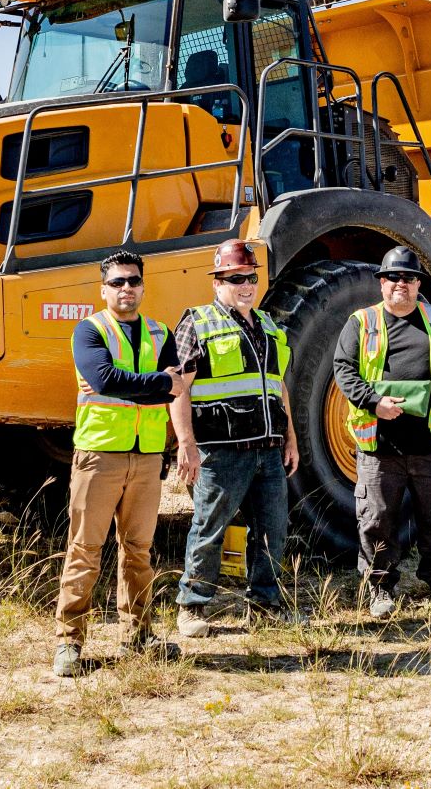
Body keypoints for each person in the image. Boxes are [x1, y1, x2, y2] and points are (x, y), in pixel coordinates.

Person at [332, 245, 431, 619]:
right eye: (394, 277)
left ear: (418, 284)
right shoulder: (362, 322)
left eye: (409, 278)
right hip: (380, 446)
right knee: (377, 521)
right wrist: (374, 402)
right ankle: (380, 590)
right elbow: (343, 369)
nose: (401, 283)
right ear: (381, 283)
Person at [52, 250, 182, 677]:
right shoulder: (89, 331)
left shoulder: (160, 332)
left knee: (139, 552)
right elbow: (104, 379)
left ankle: (138, 635)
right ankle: (69, 641)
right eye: (117, 282)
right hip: (99, 455)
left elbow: (174, 389)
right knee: (85, 549)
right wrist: (158, 382)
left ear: (143, 286)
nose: (127, 288)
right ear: (103, 289)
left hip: (146, 456)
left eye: (133, 281)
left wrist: (147, 386)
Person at [169, 239, 298, 638]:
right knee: (209, 529)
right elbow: (178, 389)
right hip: (221, 453)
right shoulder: (198, 323)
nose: (246, 285)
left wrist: (291, 437)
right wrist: (186, 444)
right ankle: (192, 606)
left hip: (269, 450)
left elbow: (278, 387)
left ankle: (264, 604)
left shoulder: (269, 326)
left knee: (272, 531)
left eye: (251, 278)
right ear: (218, 282)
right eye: (236, 278)